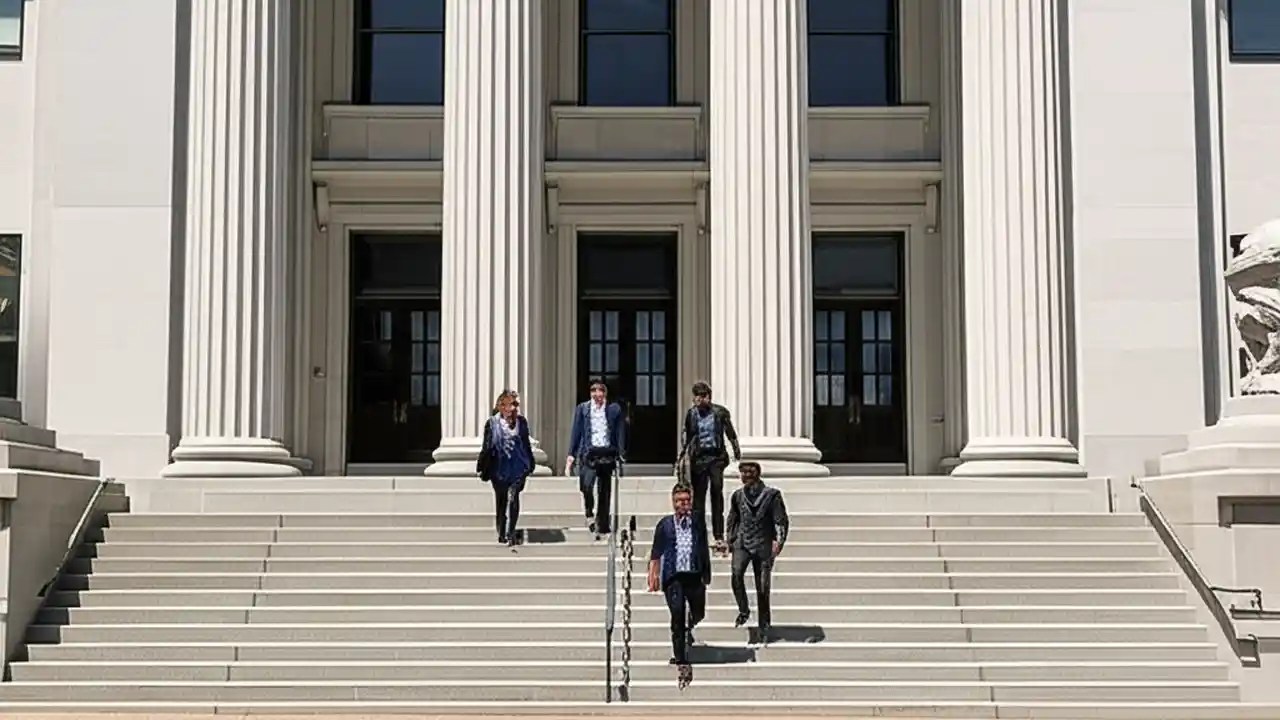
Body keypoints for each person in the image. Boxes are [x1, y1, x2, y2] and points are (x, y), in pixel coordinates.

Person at [647, 483, 712, 665]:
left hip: (694, 574)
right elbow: (656, 550)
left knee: (699, 612)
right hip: (673, 577)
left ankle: (689, 625)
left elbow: (703, 546)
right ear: (673, 502)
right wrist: (654, 573)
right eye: (679, 501)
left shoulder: (698, 521)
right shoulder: (665, 524)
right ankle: (679, 656)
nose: (683, 504)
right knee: (677, 614)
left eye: (686, 500)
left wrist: (706, 572)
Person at [675, 381, 740, 554]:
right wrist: (682, 455)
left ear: (708, 397)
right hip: (699, 458)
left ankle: (718, 534)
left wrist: (736, 448)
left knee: (716, 493)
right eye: (696, 396)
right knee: (698, 498)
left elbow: (730, 432)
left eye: (702, 396)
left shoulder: (719, 412)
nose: (698, 399)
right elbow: (688, 435)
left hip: (716, 457)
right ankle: (698, 531)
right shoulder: (692, 414)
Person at [725, 461, 789, 636]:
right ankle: (743, 609)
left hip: (763, 543)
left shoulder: (772, 495)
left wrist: (779, 540)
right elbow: (733, 518)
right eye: (742, 473)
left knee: (762, 585)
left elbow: (780, 520)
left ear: (755, 475)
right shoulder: (738, 496)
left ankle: (764, 622)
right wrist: (730, 539)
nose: (743, 477)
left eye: (746, 473)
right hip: (742, 542)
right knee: (736, 575)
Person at [566, 379, 627, 537]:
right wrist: (571, 454)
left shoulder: (614, 409)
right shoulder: (583, 409)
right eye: (593, 390)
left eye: (600, 390)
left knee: (604, 490)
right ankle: (589, 512)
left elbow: (620, 432)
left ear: (605, 393)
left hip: (607, 453)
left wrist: (620, 453)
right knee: (586, 485)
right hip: (589, 453)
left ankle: (602, 524)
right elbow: (576, 432)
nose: (597, 394)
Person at [476, 389, 535, 547]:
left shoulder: (521, 422)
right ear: (502, 406)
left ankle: (511, 532)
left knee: (513, 496)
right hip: (499, 467)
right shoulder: (492, 423)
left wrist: (531, 462)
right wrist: (481, 465)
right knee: (501, 500)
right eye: (511, 404)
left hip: (517, 466)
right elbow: (486, 446)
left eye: (516, 404)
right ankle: (501, 531)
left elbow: (526, 444)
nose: (515, 408)